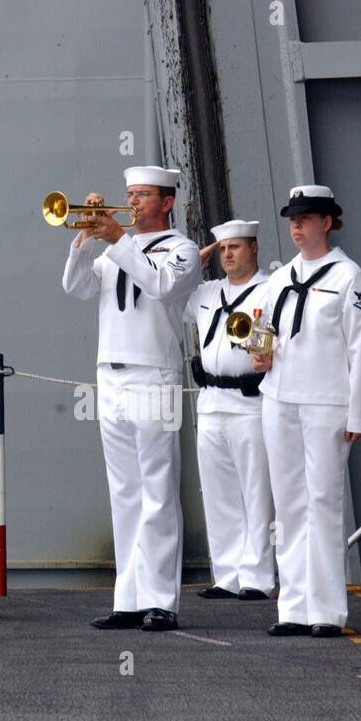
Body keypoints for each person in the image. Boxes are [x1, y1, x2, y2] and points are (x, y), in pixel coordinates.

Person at [62, 166, 201, 631]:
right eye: (129, 194)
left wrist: (117, 238)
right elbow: (76, 287)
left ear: (166, 202)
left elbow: (161, 285)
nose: (134, 201)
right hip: (112, 374)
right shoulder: (112, 251)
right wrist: (84, 238)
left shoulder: (180, 250)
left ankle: (161, 598)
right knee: (124, 492)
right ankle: (129, 596)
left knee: (158, 490)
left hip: (154, 374)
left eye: (143, 195)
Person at [251, 186, 361, 637]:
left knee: (323, 501)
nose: (297, 226)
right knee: (288, 505)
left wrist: (357, 414)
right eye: (292, 218)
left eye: (307, 217)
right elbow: (263, 332)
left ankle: (325, 609)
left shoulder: (348, 277)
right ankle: (294, 606)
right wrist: (258, 356)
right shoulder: (279, 277)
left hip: (326, 401)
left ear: (327, 222)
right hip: (280, 397)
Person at [185, 219, 275, 601]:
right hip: (211, 400)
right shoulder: (204, 293)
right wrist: (195, 259)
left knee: (256, 491)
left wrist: (256, 342)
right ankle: (227, 574)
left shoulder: (271, 289)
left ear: (254, 248)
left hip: (249, 400)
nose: (227, 255)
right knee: (218, 492)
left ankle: (257, 576)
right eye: (222, 249)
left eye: (235, 247)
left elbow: (271, 340)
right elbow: (169, 295)